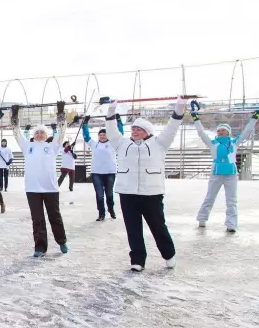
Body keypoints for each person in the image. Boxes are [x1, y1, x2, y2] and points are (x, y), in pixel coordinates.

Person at [106, 98, 186, 272]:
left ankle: (168, 253)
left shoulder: (159, 143)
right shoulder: (121, 143)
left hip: (151, 193)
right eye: (133, 128)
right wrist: (112, 109)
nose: (135, 131)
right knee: (133, 229)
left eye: (139, 129)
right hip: (127, 193)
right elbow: (111, 131)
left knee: (158, 226)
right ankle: (138, 259)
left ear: (147, 131)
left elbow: (172, 127)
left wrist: (180, 106)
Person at [11, 103, 68, 258]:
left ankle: (61, 240)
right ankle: (40, 247)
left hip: (50, 188)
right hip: (32, 188)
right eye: (37, 133)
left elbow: (62, 132)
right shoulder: (26, 146)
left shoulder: (52, 146)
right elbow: (16, 133)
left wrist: (61, 113)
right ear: (34, 135)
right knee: (37, 219)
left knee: (54, 216)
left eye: (42, 133)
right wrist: (14, 115)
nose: (40, 135)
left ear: (46, 135)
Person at [192, 110, 259, 232]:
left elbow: (247, 131)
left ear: (228, 131)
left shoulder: (234, 142)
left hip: (231, 175)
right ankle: (202, 219)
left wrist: (255, 117)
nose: (220, 132)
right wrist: (196, 119)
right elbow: (201, 133)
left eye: (223, 130)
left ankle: (231, 224)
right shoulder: (212, 143)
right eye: (218, 130)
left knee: (231, 200)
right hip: (216, 174)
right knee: (210, 197)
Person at [82, 115, 124, 221]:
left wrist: (118, 121)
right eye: (100, 135)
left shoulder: (112, 144)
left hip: (110, 172)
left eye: (104, 134)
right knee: (99, 195)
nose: (102, 136)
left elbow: (120, 134)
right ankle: (101, 213)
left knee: (109, 194)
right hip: (96, 173)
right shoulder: (94, 144)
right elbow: (86, 136)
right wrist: (85, 123)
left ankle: (111, 209)